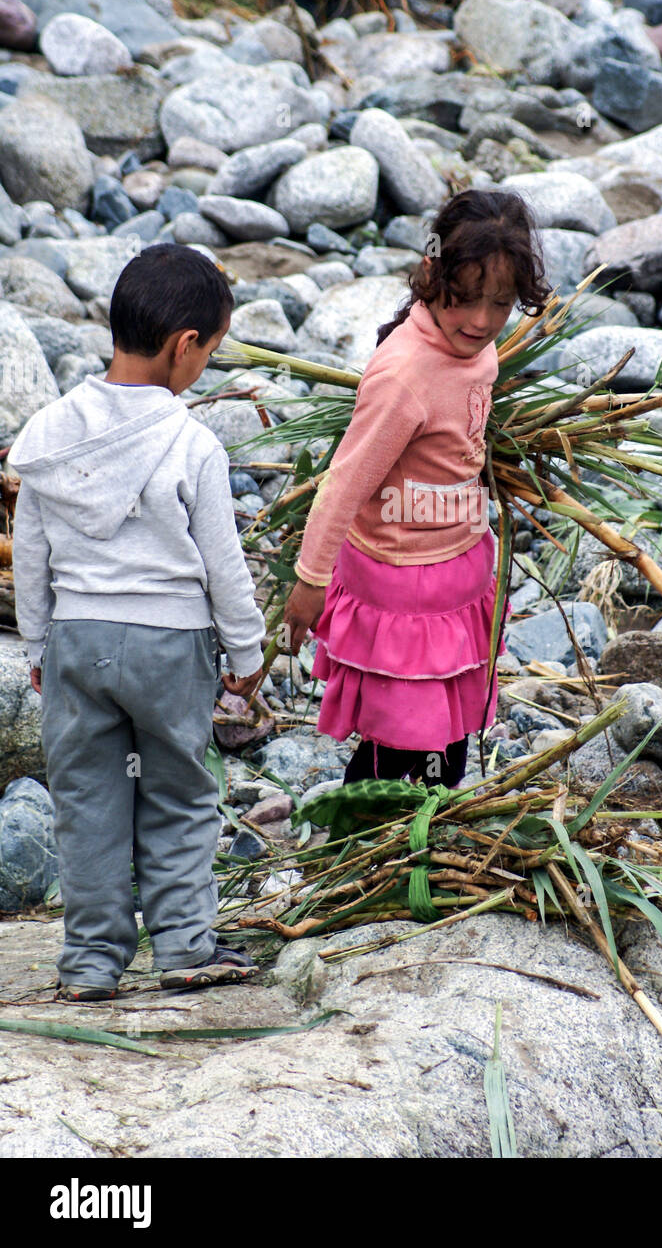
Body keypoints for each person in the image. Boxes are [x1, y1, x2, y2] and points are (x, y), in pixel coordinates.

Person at [9, 243, 266, 1001]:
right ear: (186, 346)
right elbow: (225, 567)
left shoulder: (51, 433)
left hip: (78, 642)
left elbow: (31, 552)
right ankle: (185, 945)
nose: (205, 368)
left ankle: (90, 963)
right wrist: (246, 653)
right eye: (209, 353)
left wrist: (36, 642)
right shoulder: (191, 443)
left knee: (86, 801)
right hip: (169, 645)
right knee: (182, 791)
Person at [283, 189, 549, 789]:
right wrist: (309, 582)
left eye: (500, 304)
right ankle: (352, 853)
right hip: (401, 583)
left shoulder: (476, 351)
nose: (481, 322)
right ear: (432, 275)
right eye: (464, 300)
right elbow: (345, 483)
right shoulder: (403, 375)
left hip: (458, 571)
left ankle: (422, 849)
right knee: (402, 739)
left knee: (448, 739)